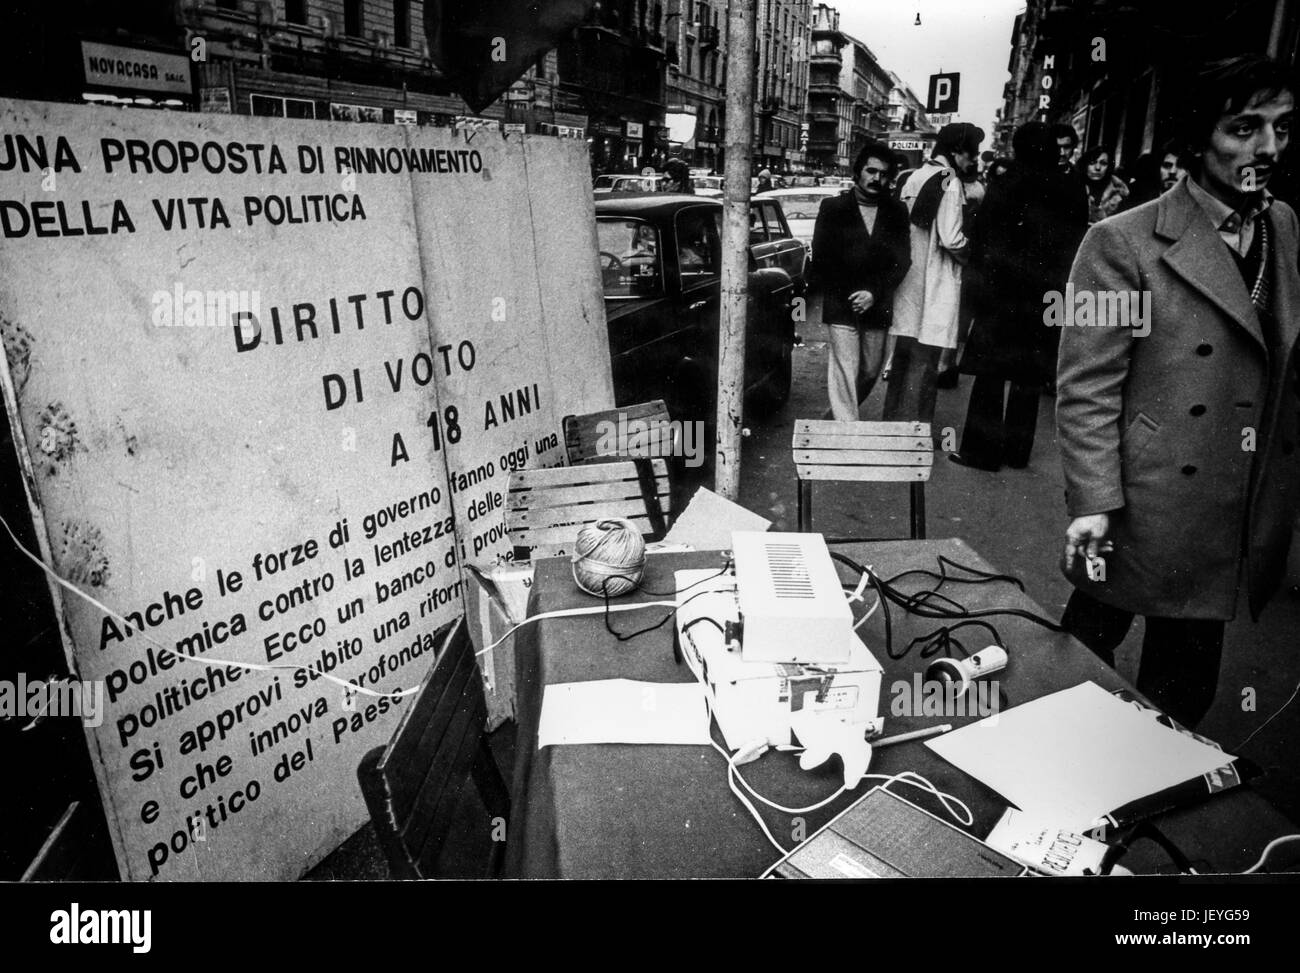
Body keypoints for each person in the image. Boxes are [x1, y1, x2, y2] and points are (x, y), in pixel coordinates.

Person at [1055, 54, 1300, 729]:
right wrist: (1094, 501)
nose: (1268, 148)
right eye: (1245, 128)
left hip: (1226, 502)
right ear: (1197, 138)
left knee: (1180, 699)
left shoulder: (1283, 227)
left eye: (1282, 128)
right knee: (1081, 668)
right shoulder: (1120, 242)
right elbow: (1086, 387)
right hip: (1141, 501)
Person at [951, 121, 1088, 471]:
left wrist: (978, 291)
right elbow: (1077, 245)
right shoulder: (1070, 188)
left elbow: (982, 242)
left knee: (991, 375)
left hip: (1001, 296)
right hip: (1044, 297)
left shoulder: (1005, 184)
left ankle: (981, 452)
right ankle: (1016, 451)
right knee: (1028, 375)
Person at [884, 122, 983, 424]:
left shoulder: (916, 176)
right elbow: (952, 238)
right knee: (925, 362)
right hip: (934, 282)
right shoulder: (949, 181)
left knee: (903, 358)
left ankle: (893, 424)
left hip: (909, 279)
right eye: (971, 154)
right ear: (956, 151)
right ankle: (914, 433)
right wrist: (971, 255)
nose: (973, 160)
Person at [811, 139, 912, 420]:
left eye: (882, 174)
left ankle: (834, 419)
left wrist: (874, 294)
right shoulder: (832, 207)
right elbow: (821, 258)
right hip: (841, 303)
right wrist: (851, 293)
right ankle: (845, 436)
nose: (876, 179)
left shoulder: (896, 211)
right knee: (845, 369)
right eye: (870, 171)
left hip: (877, 304)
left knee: (869, 371)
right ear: (858, 172)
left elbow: (902, 260)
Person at [1080, 145, 1130, 223]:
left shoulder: (1119, 192)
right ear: (1085, 165)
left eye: (1103, 163)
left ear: (1109, 166)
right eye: (1092, 162)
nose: (1097, 167)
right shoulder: (1074, 186)